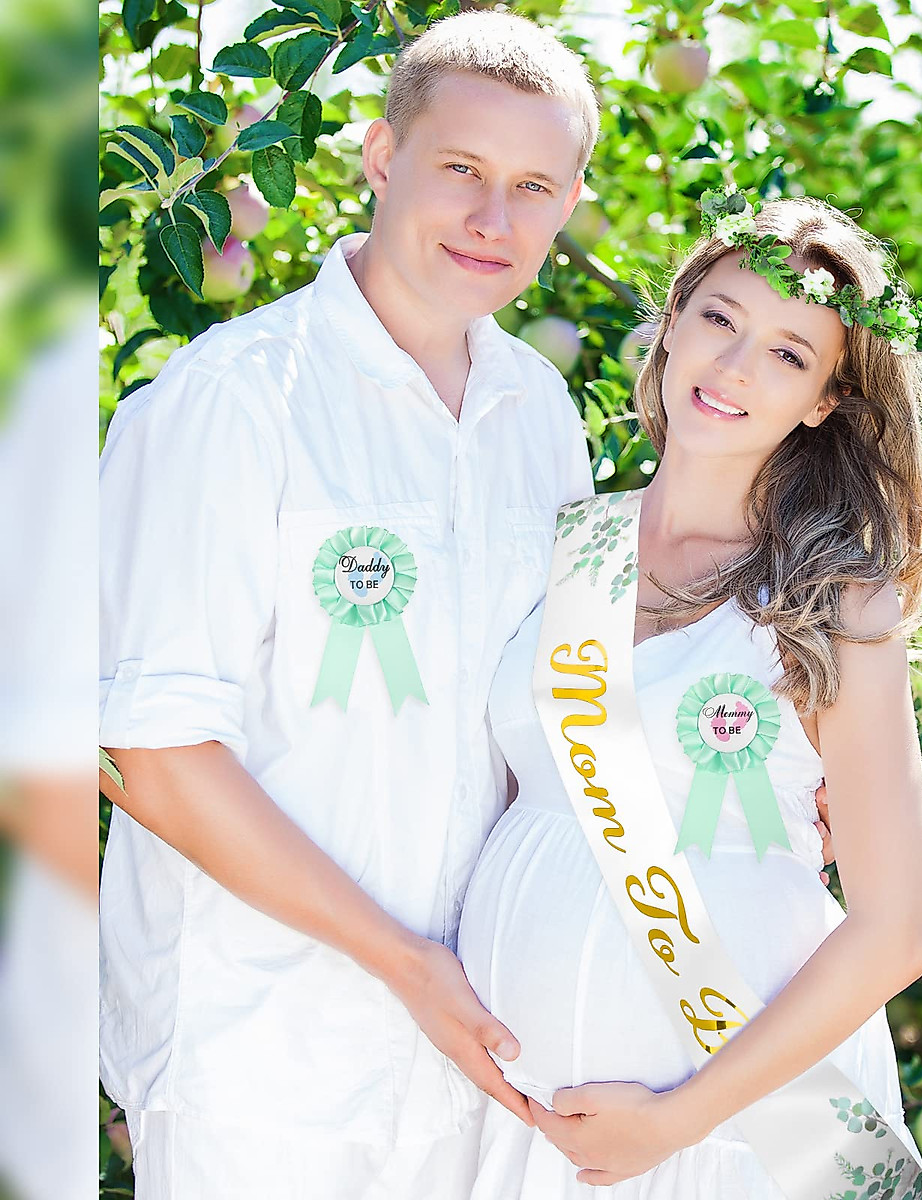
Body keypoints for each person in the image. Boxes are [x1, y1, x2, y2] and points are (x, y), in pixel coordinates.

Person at [98, 13, 601, 1197]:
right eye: (460, 170)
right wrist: (407, 967)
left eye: (533, 186)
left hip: (486, 1052)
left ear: (570, 204)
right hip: (263, 1056)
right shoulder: (230, 402)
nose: (494, 220)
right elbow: (155, 755)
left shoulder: (545, 419)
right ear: (381, 159)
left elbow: (560, 715)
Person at [457, 190, 922, 1197]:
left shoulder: (835, 597)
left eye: (790, 354)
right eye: (720, 319)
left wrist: (673, 1123)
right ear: (673, 321)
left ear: (826, 399)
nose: (736, 367)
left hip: (734, 1133)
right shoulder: (565, 541)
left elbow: (896, 931)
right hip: (526, 1129)